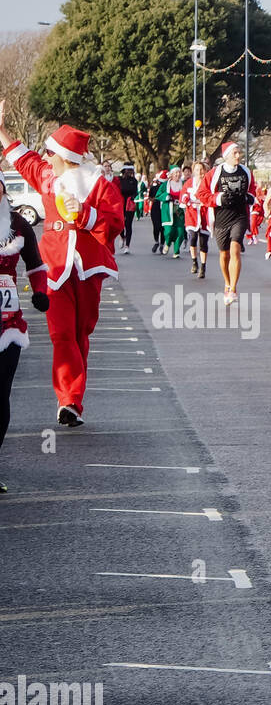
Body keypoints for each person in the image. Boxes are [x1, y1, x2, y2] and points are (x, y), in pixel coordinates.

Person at [0, 105, 123, 427]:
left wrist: (84, 213)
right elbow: (23, 159)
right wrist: (1, 130)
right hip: (54, 266)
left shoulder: (99, 184)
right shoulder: (47, 176)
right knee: (62, 334)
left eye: (49, 151)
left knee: (81, 333)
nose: (45, 156)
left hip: (89, 267)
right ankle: (68, 400)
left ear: (63, 154)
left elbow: (114, 223)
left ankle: (74, 399)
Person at [0, 185, 49, 491]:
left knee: (0, 394)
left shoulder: (18, 224)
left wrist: (41, 291)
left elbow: (35, 263)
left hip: (8, 328)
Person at [200, 141, 259, 306]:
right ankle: (227, 283)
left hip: (239, 216)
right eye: (235, 153)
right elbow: (202, 194)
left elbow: (253, 190)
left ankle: (233, 288)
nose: (238, 156)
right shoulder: (215, 173)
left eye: (239, 153)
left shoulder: (246, 171)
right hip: (221, 217)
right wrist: (218, 198)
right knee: (224, 254)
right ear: (226, 156)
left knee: (235, 250)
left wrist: (250, 197)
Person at [181, 159, 211, 279]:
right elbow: (184, 195)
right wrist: (186, 200)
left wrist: (206, 202)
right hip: (192, 214)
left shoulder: (207, 183)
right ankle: (194, 262)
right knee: (193, 238)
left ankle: (203, 266)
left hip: (204, 214)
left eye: (201, 169)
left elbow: (210, 195)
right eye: (197, 170)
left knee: (203, 242)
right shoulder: (188, 183)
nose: (199, 172)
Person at [159, 166, 186, 259]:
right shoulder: (166, 184)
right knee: (169, 230)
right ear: (171, 174)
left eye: (179, 172)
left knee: (180, 231)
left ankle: (176, 251)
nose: (178, 174)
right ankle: (168, 242)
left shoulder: (184, 184)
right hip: (168, 210)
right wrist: (166, 196)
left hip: (180, 210)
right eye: (176, 173)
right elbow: (158, 195)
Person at [116, 163, 138, 254]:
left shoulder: (134, 181)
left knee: (128, 224)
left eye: (131, 170)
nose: (129, 172)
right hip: (120, 203)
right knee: (120, 222)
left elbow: (136, 192)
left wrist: (133, 197)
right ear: (124, 171)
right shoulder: (119, 179)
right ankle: (122, 236)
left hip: (129, 203)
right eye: (128, 170)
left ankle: (127, 245)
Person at [148, 169, 165, 253]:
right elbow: (150, 197)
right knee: (156, 226)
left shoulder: (167, 188)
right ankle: (156, 241)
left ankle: (162, 244)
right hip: (155, 208)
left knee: (163, 228)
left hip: (164, 208)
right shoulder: (154, 188)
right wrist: (154, 199)